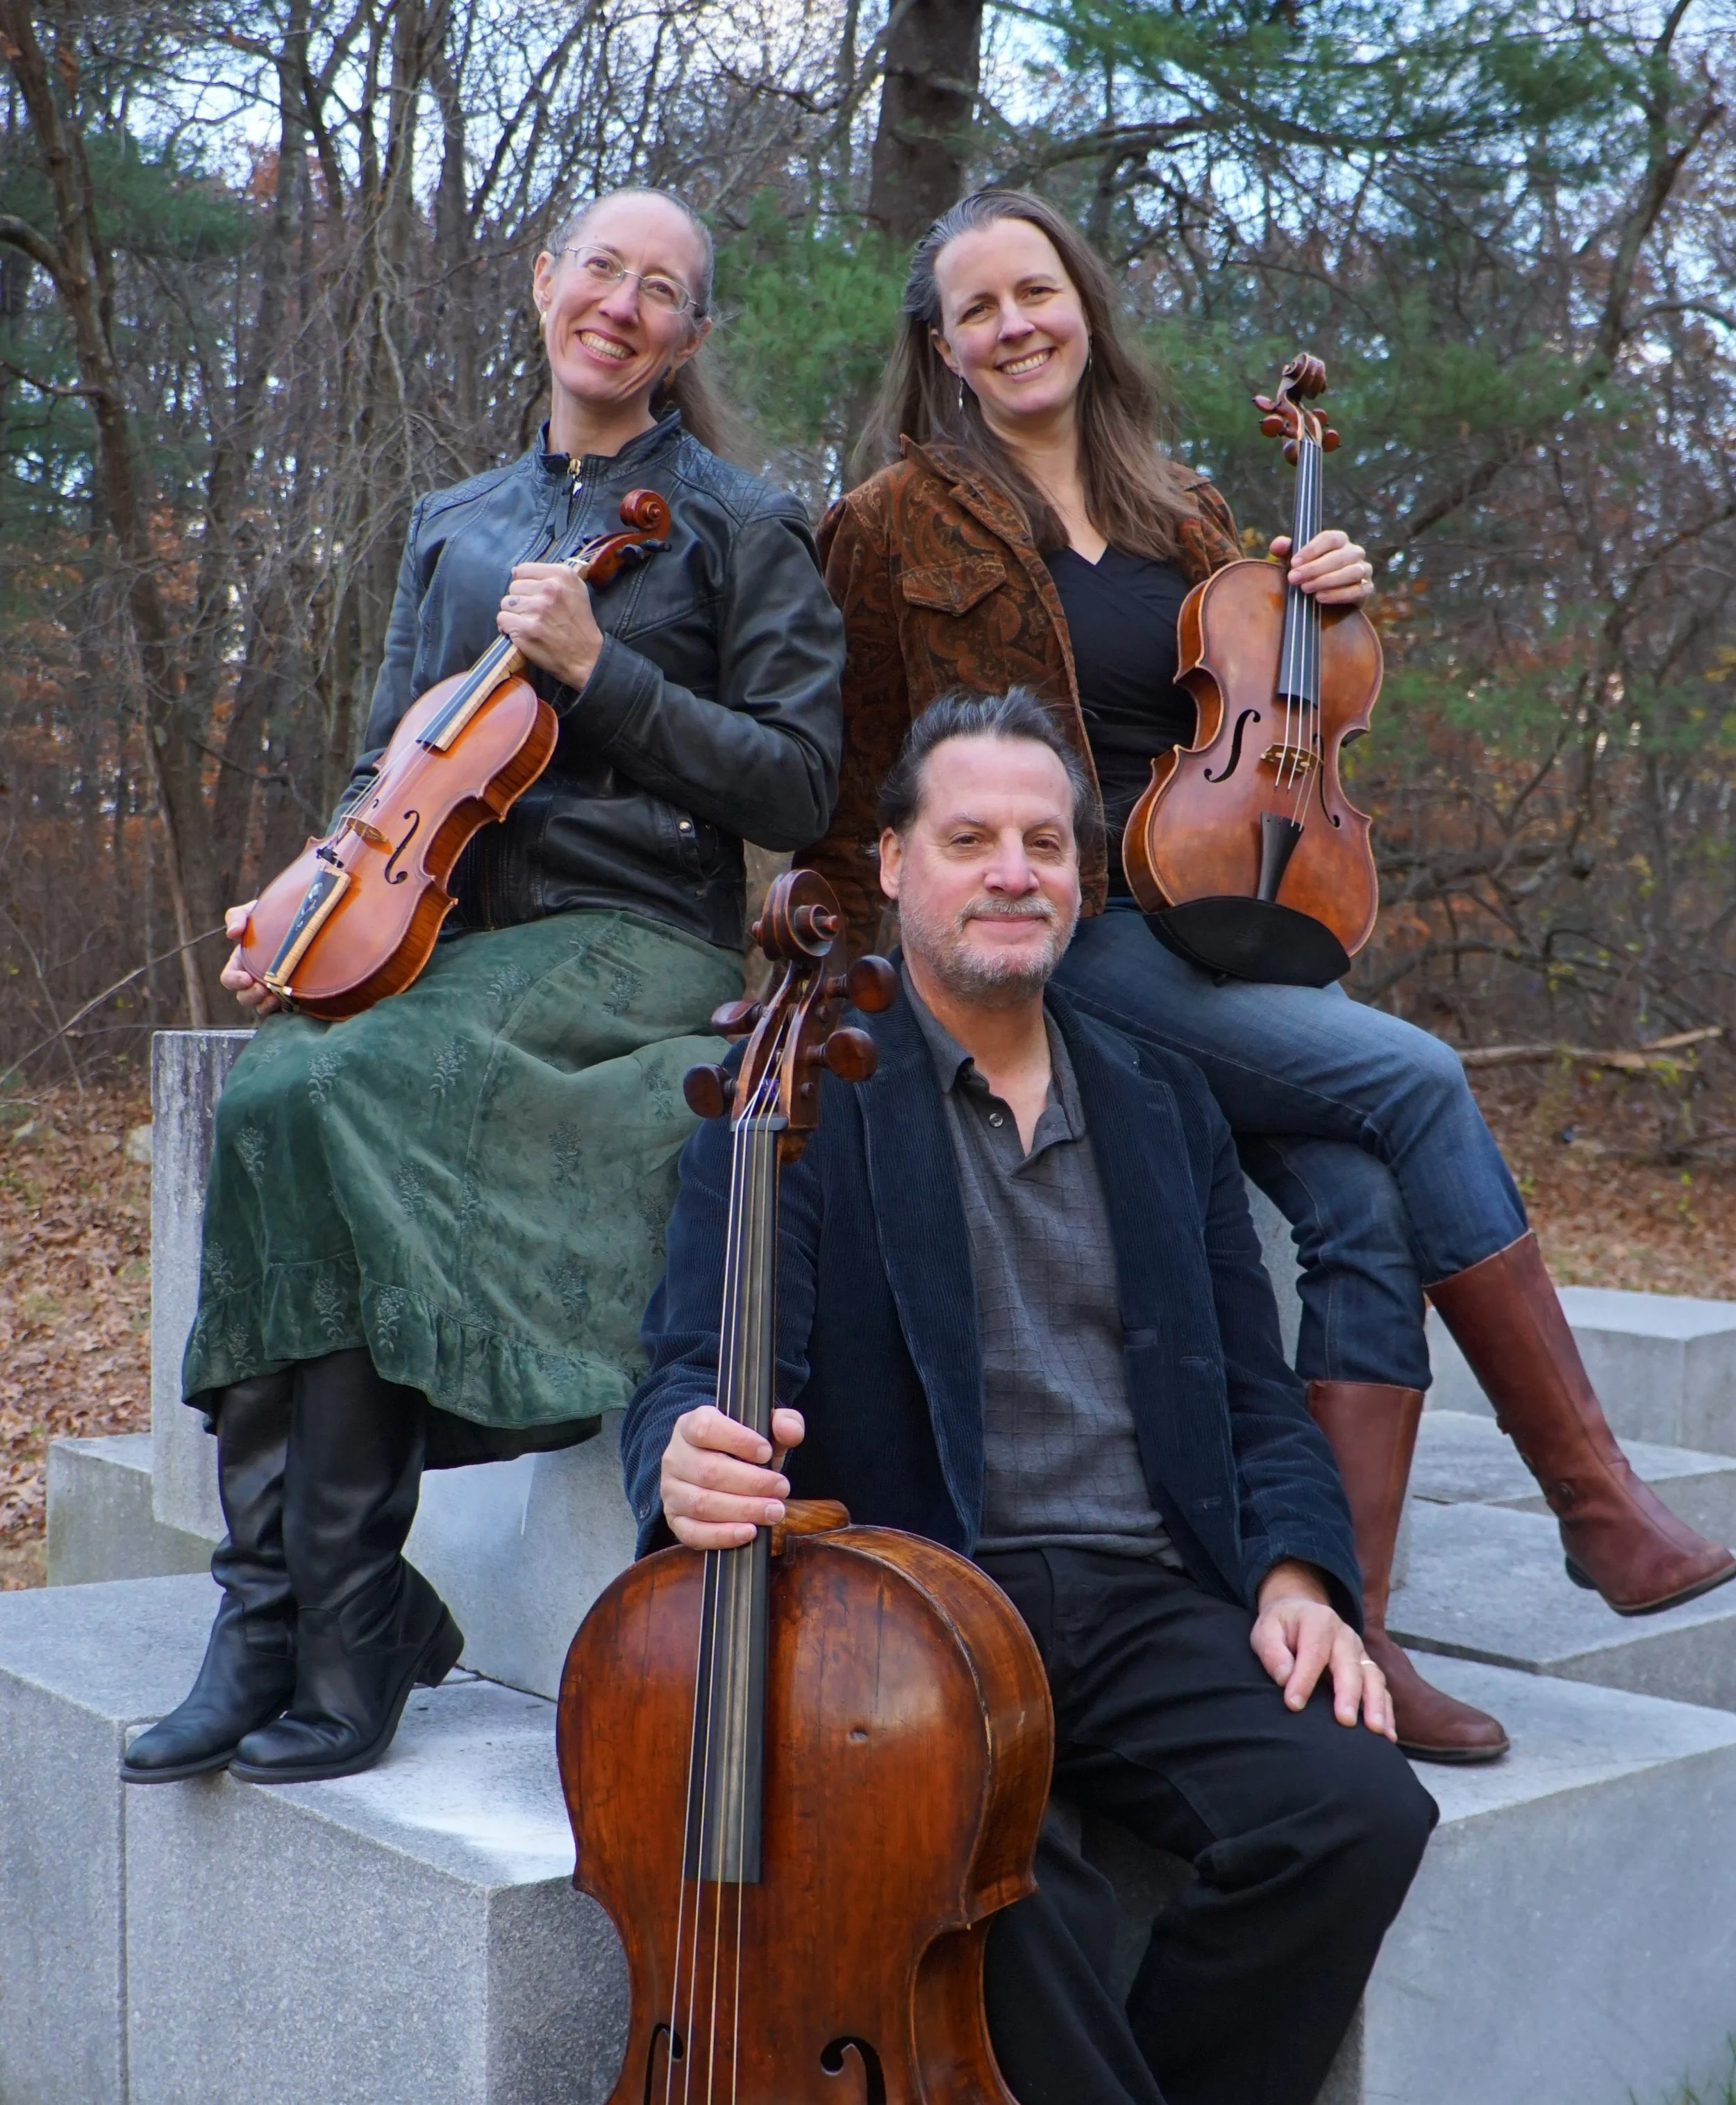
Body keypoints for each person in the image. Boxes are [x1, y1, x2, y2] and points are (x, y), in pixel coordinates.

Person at [795, 185, 1734, 1763]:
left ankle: (1352, 1636)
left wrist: (1331, 611)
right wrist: (839, 963)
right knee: (1417, 1075)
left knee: (1363, 1212)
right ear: (942, 350)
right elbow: (847, 775)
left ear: (1081, 307)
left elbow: (1279, 708)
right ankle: (1593, 1502)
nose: (1015, 324)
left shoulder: (1180, 513)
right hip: (1064, 935)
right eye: (978, 309)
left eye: (1038, 291)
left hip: (1218, 929)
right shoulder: (892, 520)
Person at [121, 186, 844, 1788]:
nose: (622, 302)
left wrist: (608, 671)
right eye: (600, 267)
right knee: (278, 1089)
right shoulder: (453, 519)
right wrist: (303, 890)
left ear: (687, 335)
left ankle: (343, 1612)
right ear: (542, 283)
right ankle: (277, 1615)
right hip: (439, 935)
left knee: (349, 1087)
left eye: (662, 288)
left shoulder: (739, 521)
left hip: (635, 934)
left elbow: (796, 786)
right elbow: (386, 765)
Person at [627, 692, 1436, 2105]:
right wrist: (678, 1460)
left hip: (1139, 1595)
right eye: (970, 838)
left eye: (1045, 842)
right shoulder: (796, 1095)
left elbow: (1251, 1392)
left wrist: (1300, 1575)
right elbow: (690, 1367)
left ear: (1078, 874)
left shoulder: (1160, 1097)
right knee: (1008, 1891)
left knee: (1357, 1812)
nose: (1014, 870)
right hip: (921, 1607)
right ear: (889, 867)